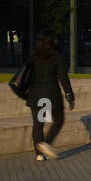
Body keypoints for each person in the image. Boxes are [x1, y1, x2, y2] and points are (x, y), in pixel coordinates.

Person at [26, 31, 74, 160]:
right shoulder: (57, 57)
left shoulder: (34, 57)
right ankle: (46, 144)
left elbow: (28, 76)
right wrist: (69, 95)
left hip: (35, 95)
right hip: (51, 95)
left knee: (38, 123)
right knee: (59, 120)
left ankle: (39, 154)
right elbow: (63, 78)